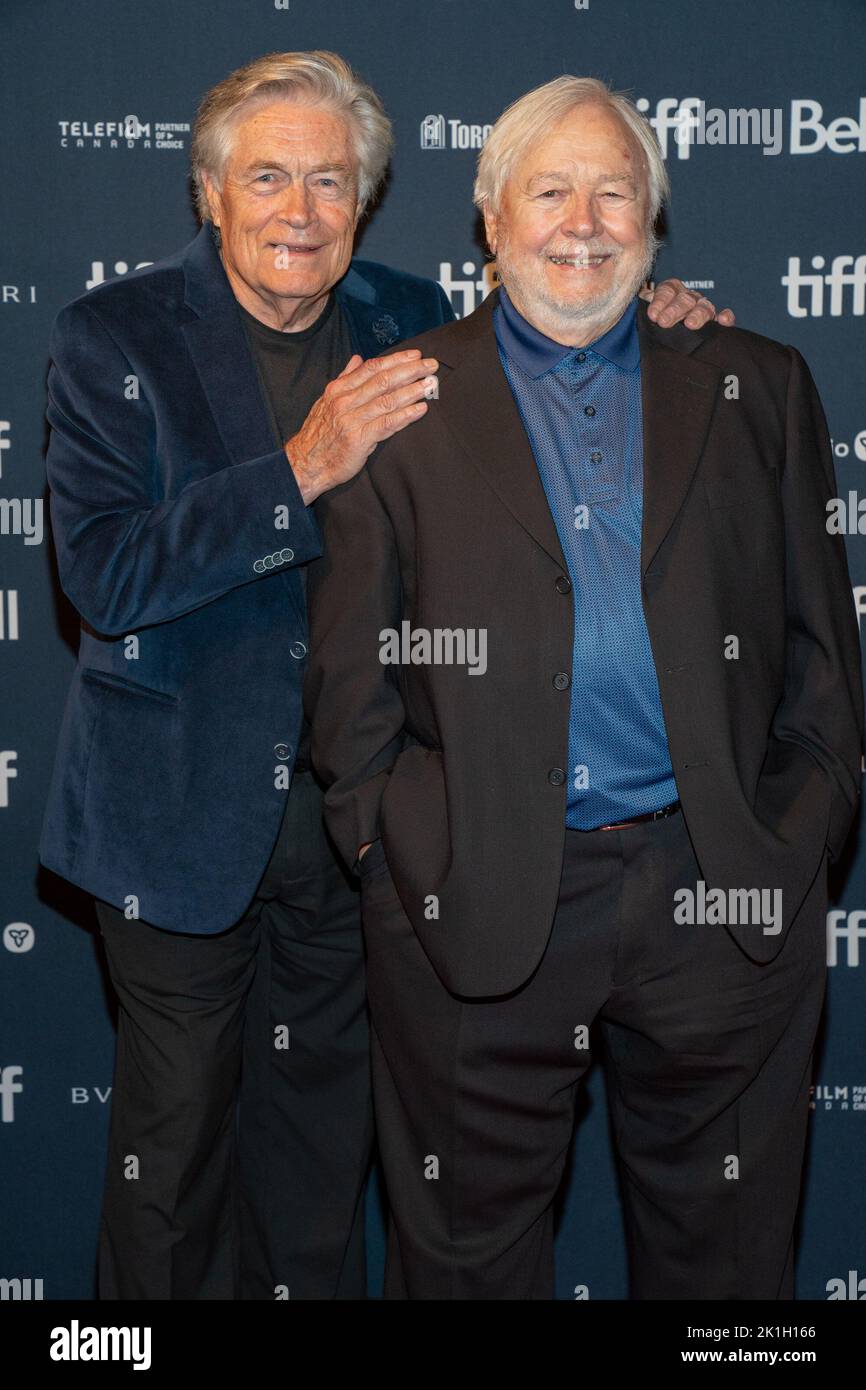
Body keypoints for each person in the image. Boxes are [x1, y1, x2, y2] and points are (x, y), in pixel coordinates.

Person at [40, 50, 733, 1300]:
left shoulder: (409, 320)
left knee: (318, 1166)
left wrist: (652, 312)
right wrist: (297, 468)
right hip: (173, 821)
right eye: (266, 178)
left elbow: (558, 317)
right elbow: (104, 576)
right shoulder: (112, 338)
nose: (299, 210)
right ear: (208, 193)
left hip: (353, 836)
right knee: (172, 1159)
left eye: (329, 181)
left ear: (363, 201)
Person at [305, 75, 862, 1300]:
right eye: (549, 189)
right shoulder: (394, 403)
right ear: (491, 222)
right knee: (460, 1264)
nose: (584, 219)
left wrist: (798, 831)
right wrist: (395, 856)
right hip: (477, 895)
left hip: (719, 888)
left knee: (728, 1269)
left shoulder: (750, 383)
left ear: (652, 225)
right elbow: (350, 686)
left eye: (615, 191)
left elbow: (823, 649)